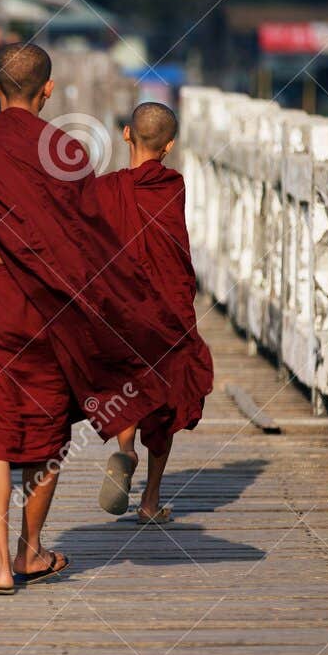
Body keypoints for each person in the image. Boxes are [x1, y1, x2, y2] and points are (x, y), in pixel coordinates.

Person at [0, 42, 194, 595]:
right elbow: (87, 245)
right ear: (48, 90)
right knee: (47, 430)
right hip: (53, 308)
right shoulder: (67, 153)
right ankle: (31, 552)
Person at [93, 103, 215, 523]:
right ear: (169, 146)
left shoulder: (105, 189)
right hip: (166, 310)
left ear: (126, 134)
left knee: (127, 382)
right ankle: (150, 501)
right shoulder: (173, 186)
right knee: (165, 397)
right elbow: (174, 253)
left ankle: (125, 451)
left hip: (119, 309)